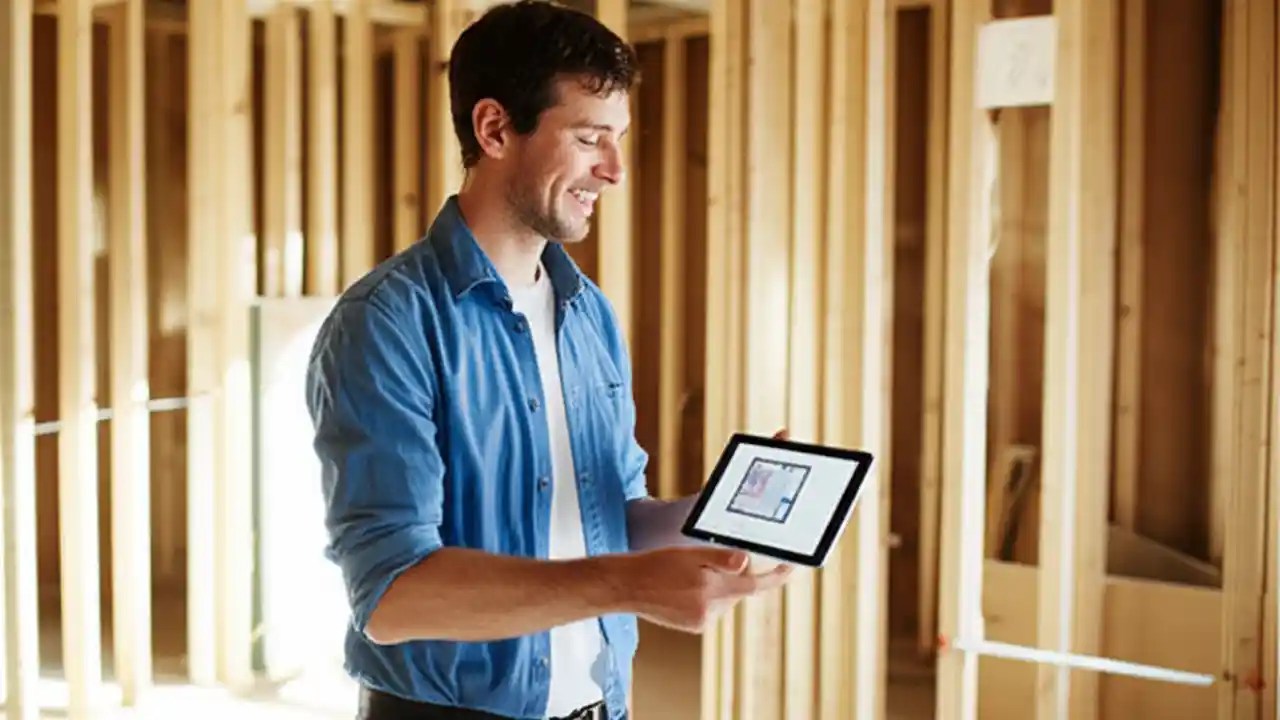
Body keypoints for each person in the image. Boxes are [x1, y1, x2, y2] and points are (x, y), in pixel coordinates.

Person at [305, 2, 793, 719]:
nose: (616, 169)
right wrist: (628, 585)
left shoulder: (586, 313)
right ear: (496, 128)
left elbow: (609, 518)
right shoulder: (388, 325)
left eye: (619, 138)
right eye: (591, 137)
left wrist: (717, 515)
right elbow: (391, 596)